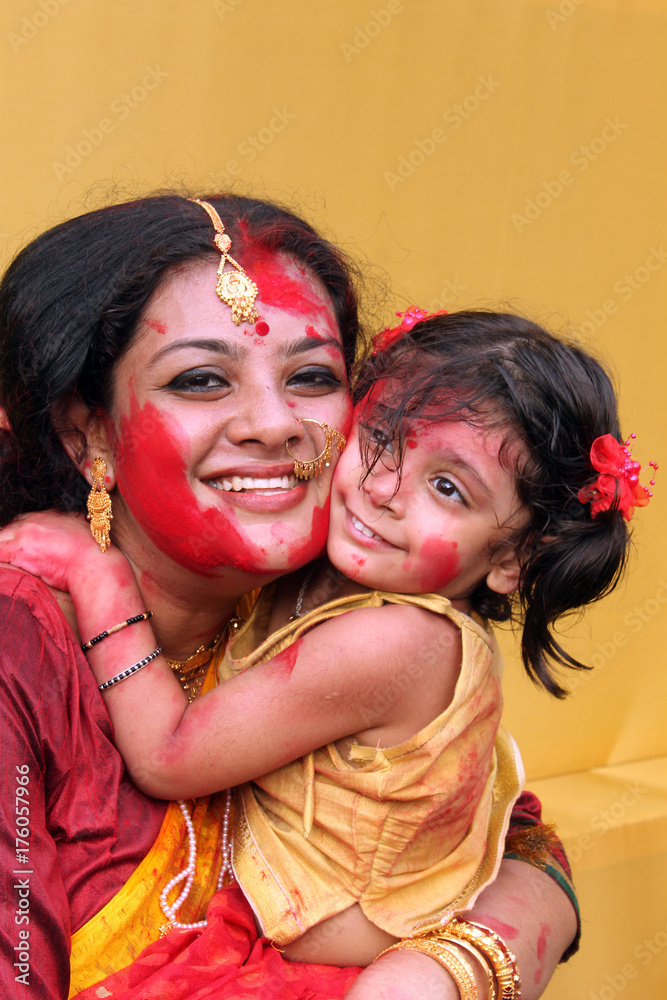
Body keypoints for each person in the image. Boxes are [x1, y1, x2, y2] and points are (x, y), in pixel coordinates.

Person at [0, 193, 580, 1000]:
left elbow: (508, 836)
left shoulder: (318, 598)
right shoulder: (15, 649)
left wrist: (448, 971)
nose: (274, 425)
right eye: (201, 380)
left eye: (311, 376)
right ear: (88, 432)